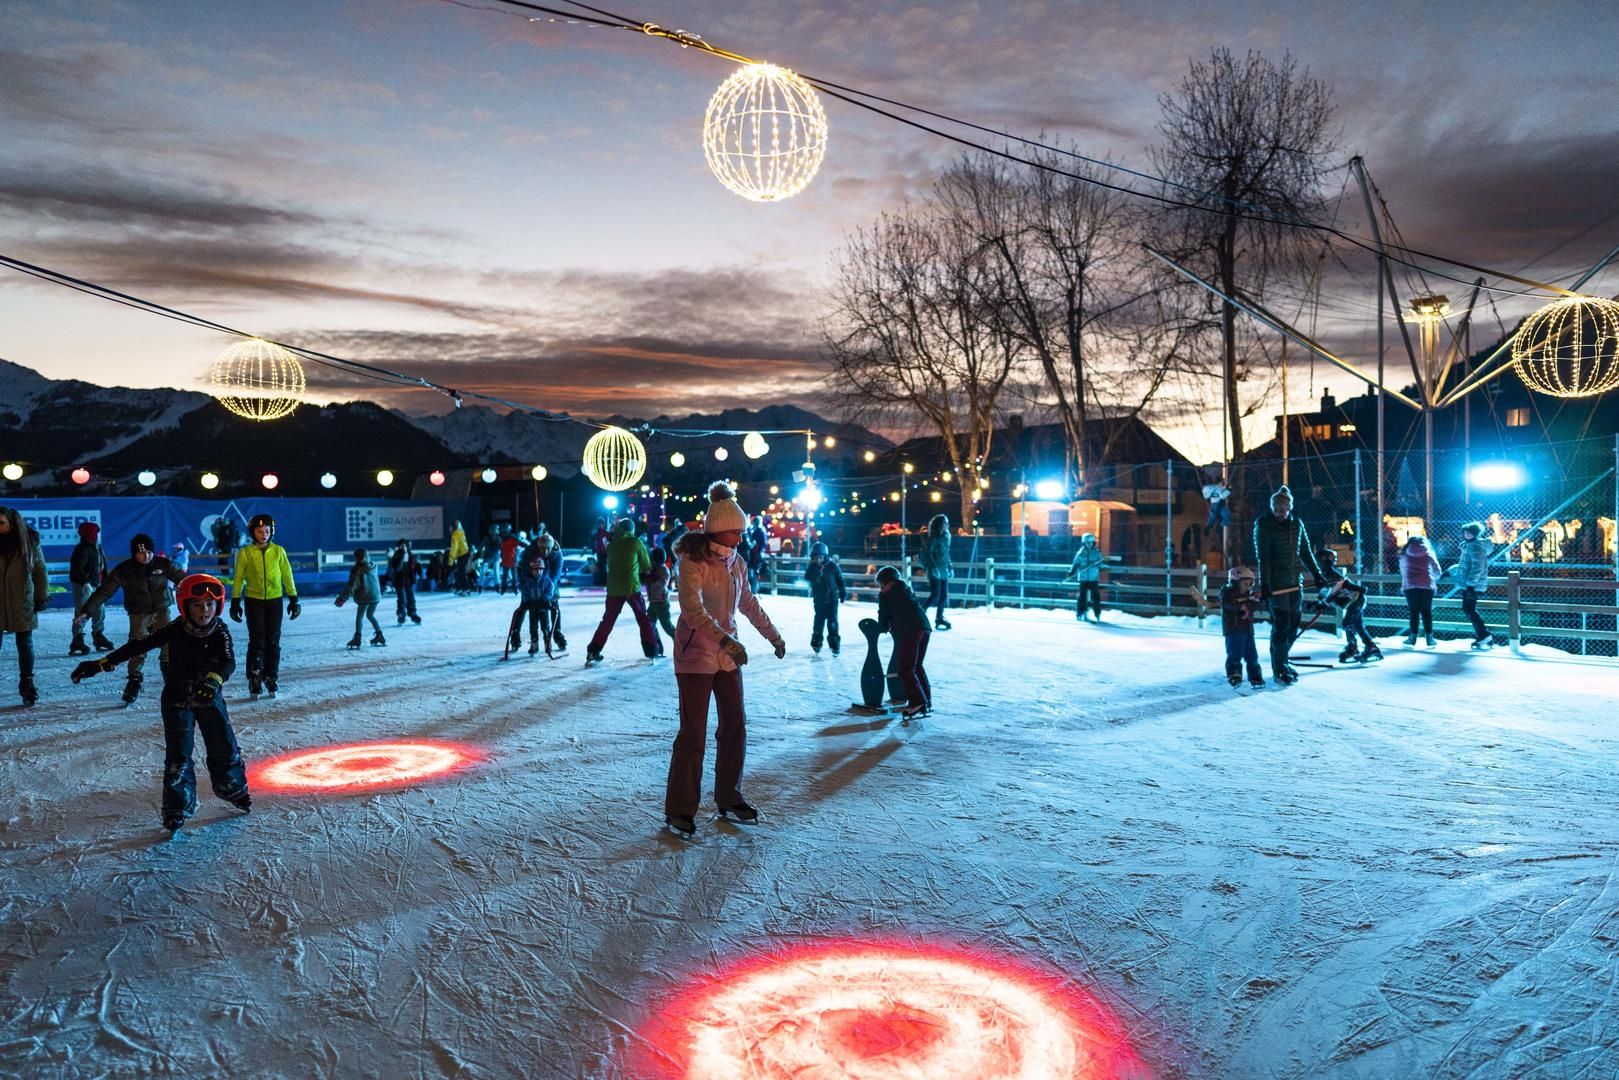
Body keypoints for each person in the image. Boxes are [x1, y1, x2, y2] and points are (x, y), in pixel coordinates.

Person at [72, 574, 249, 833]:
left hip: (208, 696)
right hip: (177, 698)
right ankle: (176, 807)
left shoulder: (220, 631)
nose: (205, 610)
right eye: (197, 604)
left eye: (210, 604)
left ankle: (234, 789)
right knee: (178, 755)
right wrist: (102, 663)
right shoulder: (175, 629)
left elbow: (228, 661)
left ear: (218, 605)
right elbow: (140, 645)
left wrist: (214, 680)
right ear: (185, 606)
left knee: (223, 745)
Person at [664, 482, 786, 838]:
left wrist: (773, 635)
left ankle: (729, 795)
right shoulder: (692, 562)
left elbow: (748, 604)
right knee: (693, 733)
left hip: (727, 657)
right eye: (737, 531)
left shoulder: (737, 562)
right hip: (695, 656)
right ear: (719, 529)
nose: (742, 536)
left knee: (735, 726)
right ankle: (680, 808)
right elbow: (692, 611)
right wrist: (726, 641)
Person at [74, 532, 186, 705]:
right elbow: (105, 590)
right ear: (134, 553)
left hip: (161, 611)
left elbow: (184, 579)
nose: (145, 556)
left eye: (149, 552)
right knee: (137, 646)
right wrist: (87, 611)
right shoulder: (124, 570)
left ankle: (171, 679)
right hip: (138, 614)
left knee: (169, 645)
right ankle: (134, 679)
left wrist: (205, 588)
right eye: (141, 553)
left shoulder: (163, 564)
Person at [1252, 485, 1325, 685]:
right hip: (1276, 585)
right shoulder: (1264, 525)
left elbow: (1305, 551)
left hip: (1294, 583)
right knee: (1282, 624)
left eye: (1283, 509)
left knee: (1293, 624)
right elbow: (1264, 558)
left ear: (1289, 508)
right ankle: (1279, 668)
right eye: (1276, 509)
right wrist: (1265, 584)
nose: (1279, 513)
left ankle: (1282, 660)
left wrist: (1317, 574)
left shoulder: (1296, 524)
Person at [229, 513, 300, 696]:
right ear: (253, 533)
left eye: (267, 531)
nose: (263, 535)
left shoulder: (278, 551)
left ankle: (271, 677)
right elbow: (239, 578)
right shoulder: (245, 553)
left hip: (275, 600)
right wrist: (235, 601)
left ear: (271, 532)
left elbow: (287, 575)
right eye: (259, 531)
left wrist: (293, 598)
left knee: (273, 640)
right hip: (254, 601)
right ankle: (255, 677)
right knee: (257, 639)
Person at [585, 518, 660, 665]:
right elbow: (646, 565)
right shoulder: (635, 542)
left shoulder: (611, 546)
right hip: (631, 588)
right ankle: (651, 650)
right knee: (643, 619)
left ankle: (593, 651)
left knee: (607, 621)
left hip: (613, 589)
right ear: (632, 530)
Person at [0, 506, 49, 706]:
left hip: (22, 600)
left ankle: (27, 683)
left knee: (25, 643)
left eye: (1, 523)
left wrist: (41, 597)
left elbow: (40, 571)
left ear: (12, 524)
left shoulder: (29, 543)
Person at [875, 564, 931, 721]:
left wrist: (881, 628)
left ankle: (917, 703)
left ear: (890, 582)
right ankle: (926, 700)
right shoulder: (906, 589)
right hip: (924, 627)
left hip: (910, 630)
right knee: (916, 666)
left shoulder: (886, 595)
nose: (881, 588)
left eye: (882, 584)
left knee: (906, 669)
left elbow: (884, 615)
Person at [1318, 549, 1380, 663]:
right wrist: (1319, 602)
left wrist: (1324, 603)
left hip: (1356, 600)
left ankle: (1353, 648)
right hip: (1355, 600)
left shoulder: (1331, 573)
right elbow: (1326, 590)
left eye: (1319, 561)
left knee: (1347, 623)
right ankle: (1371, 647)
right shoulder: (1326, 574)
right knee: (1358, 625)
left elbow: (1336, 589)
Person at [504, 539, 558, 658]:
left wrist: (546, 599)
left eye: (540, 570)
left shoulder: (546, 581)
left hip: (543, 608)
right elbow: (525, 591)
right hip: (533, 608)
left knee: (545, 626)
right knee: (533, 627)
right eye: (535, 569)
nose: (537, 572)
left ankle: (547, 642)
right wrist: (526, 601)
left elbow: (550, 590)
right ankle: (534, 644)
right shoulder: (528, 581)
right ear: (531, 570)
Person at [68, 521, 113, 656]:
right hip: (83, 587)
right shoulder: (82, 549)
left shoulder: (97, 548)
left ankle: (98, 635)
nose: (98, 535)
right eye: (96, 533)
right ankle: (77, 639)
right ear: (91, 534)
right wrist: (85, 583)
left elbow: (102, 567)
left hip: (96, 585)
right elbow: (76, 570)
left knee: (100, 610)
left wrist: (105, 582)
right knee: (82, 612)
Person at [1219, 566, 1265, 688]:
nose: (1248, 587)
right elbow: (1228, 603)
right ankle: (1234, 674)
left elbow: (1255, 607)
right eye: (1246, 584)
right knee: (1235, 653)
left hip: (1248, 630)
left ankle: (1255, 675)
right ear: (1236, 582)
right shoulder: (1228, 592)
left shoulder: (1249, 595)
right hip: (1234, 629)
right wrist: (1241, 607)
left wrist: (1256, 600)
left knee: (1252, 655)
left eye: (1251, 584)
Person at [1452, 521, 1493, 648]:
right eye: (1465, 532)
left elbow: (1477, 567)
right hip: (1470, 584)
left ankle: (1484, 635)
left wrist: (1470, 585)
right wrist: (1449, 572)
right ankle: (1485, 636)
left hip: (1472, 585)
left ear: (1475, 534)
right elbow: (1465, 565)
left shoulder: (1475, 546)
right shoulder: (1469, 545)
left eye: (1470, 532)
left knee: (1469, 609)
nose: (1467, 534)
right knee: (1469, 609)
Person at [335, 548, 385, 649]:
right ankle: (379, 635)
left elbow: (352, 585)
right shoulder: (373, 565)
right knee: (370, 615)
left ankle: (357, 638)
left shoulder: (357, 569)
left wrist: (343, 598)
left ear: (358, 558)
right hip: (375, 595)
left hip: (364, 596)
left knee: (360, 617)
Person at [1399, 534, 1442, 647]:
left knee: (1414, 612)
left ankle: (1412, 637)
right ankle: (1430, 638)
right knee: (1426, 612)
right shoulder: (1428, 553)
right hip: (1427, 586)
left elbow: (1403, 571)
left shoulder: (1404, 554)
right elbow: (1437, 571)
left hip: (1410, 585)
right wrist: (1433, 578)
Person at [804, 541, 847, 655]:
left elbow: (840, 580)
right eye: (816, 558)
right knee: (819, 622)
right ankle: (816, 643)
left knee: (832, 623)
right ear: (813, 558)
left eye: (820, 557)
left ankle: (835, 645)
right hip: (819, 599)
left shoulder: (832, 566)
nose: (818, 560)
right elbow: (807, 579)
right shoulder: (812, 567)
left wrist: (843, 592)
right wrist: (816, 572)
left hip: (833, 599)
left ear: (825, 556)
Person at [531, 533, 568, 651]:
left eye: (548, 548)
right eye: (542, 548)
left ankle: (557, 632)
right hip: (537, 580)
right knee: (536, 607)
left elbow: (555, 576)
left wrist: (548, 593)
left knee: (553, 603)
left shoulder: (558, 555)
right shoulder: (533, 552)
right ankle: (542, 634)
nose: (545, 551)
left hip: (551, 580)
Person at [919, 514, 953, 630]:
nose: (947, 525)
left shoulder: (945, 538)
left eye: (947, 523)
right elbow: (928, 554)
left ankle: (939, 617)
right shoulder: (932, 539)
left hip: (943, 570)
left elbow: (946, 554)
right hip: (935, 571)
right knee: (935, 595)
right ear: (939, 525)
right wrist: (934, 568)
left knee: (943, 595)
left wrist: (950, 567)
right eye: (945, 523)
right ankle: (920, 613)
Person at [1064, 533, 1104, 622]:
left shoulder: (1097, 553)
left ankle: (1097, 613)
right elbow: (1075, 564)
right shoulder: (1080, 553)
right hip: (1083, 578)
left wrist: (1099, 565)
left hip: (1093, 578)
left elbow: (1101, 564)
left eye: (1091, 542)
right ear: (1084, 543)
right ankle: (1080, 613)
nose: (1090, 544)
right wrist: (1072, 572)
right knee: (1082, 596)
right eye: (1087, 542)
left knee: (1095, 596)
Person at [645, 548, 677, 648]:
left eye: (652, 559)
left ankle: (679, 642)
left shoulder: (664, 570)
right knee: (650, 624)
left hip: (662, 602)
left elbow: (661, 585)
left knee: (667, 625)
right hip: (653, 602)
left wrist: (652, 578)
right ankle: (657, 646)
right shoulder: (653, 569)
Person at [389, 539, 422, 625]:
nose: (404, 547)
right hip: (399, 581)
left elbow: (416, 565)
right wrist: (402, 558)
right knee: (402, 599)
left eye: (406, 545)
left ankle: (413, 613)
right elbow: (397, 568)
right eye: (402, 546)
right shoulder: (396, 556)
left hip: (409, 581)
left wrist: (419, 572)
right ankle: (401, 615)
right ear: (399, 547)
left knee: (411, 598)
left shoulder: (411, 555)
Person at [743, 517, 769, 593]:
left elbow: (759, 543)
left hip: (755, 554)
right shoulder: (760, 530)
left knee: (754, 571)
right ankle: (754, 589)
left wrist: (756, 549)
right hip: (756, 554)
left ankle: (753, 589)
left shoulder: (758, 531)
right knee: (754, 572)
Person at [447, 520, 470, 595]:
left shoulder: (455, 536)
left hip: (462, 555)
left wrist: (450, 561)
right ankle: (459, 588)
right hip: (464, 554)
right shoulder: (460, 533)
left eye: (450, 527)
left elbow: (454, 549)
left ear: (454, 527)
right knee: (459, 572)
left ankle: (466, 589)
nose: (449, 529)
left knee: (461, 572)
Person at [499, 528, 521, 595]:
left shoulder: (513, 539)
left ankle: (515, 589)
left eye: (505, 532)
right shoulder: (502, 540)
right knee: (505, 576)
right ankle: (503, 589)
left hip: (512, 559)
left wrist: (516, 538)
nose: (504, 534)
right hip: (505, 560)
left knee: (514, 576)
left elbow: (520, 543)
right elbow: (501, 549)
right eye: (503, 532)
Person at [590, 518, 611, 587]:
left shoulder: (606, 533)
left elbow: (609, 542)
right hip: (599, 553)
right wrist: (593, 550)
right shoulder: (596, 534)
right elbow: (593, 543)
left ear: (603, 524)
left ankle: (605, 581)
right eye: (599, 524)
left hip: (605, 553)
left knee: (604, 567)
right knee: (600, 566)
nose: (600, 525)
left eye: (601, 524)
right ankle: (599, 581)